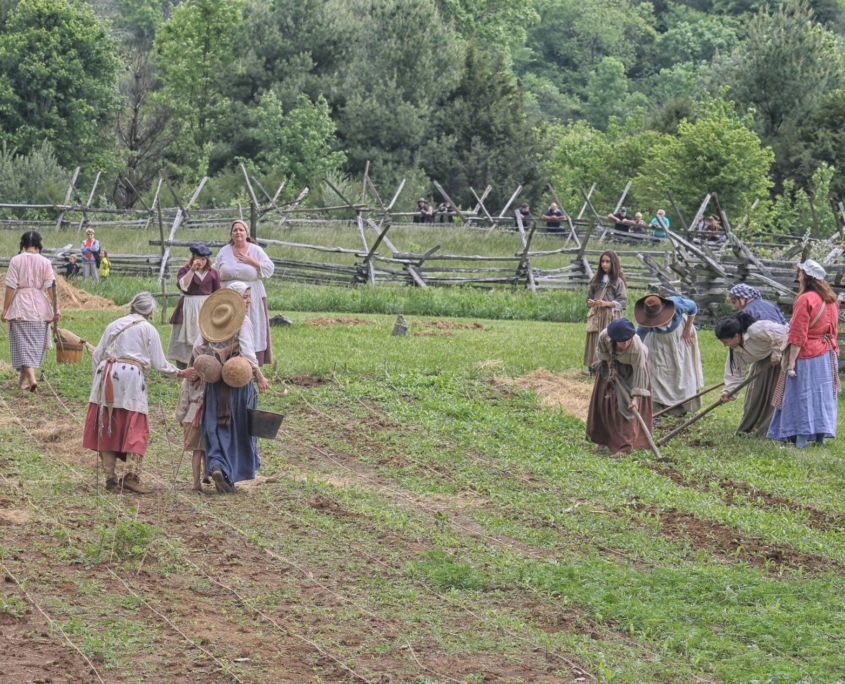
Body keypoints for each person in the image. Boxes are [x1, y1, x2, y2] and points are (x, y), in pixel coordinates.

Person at [83, 292, 197, 493]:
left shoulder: (114, 325)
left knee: (107, 422)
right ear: (150, 312)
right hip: (131, 377)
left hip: (105, 374)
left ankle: (110, 478)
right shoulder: (148, 329)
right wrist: (180, 372)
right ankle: (130, 475)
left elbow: (97, 355)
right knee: (135, 424)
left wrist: (98, 381)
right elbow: (160, 364)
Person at [193, 283, 269, 493]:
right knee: (237, 426)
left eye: (248, 297)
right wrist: (259, 374)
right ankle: (230, 473)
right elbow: (248, 351)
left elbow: (197, 348)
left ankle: (217, 464)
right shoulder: (242, 321)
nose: (248, 301)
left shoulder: (211, 321)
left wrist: (213, 356)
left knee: (215, 424)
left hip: (214, 383)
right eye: (244, 297)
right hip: (237, 382)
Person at [768, 260, 840, 447]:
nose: (797, 275)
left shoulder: (805, 299)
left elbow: (798, 334)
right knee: (822, 395)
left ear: (806, 277)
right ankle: (820, 436)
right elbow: (832, 330)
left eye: (799, 273)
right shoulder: (831, 300)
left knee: (802, 394)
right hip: (827, 353)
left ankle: (800, 438)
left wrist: (791, 361)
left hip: (808, 354)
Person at [1, 231, 60, 393]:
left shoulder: (16, 260)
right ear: (38, 244)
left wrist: (5, 309)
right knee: (32, 346)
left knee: (22, 346)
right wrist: (56, 309)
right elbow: (50, 287)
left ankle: (32, 380)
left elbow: (11, 286)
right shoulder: (45, 262)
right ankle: (21, 384)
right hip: (40, 307)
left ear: (23, 243)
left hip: (21, 305)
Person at [714, 312, 789, 437]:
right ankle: (752, 427)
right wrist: (728, 392)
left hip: (781, 360)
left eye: (726, 341)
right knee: (755, 395)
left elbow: (782, 333)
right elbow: (735, 374)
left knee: (774, 397)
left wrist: (776, 353)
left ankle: (771, 430)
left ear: (736, 336)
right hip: (761, 363)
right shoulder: (735, 351)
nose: (725, 345)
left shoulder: (756, 329)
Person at [586, 318, 653, 454]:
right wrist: (611, 363)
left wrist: (635, 398)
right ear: (614, 339)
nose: (626, 343)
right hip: (611, 367)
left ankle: (625, 446)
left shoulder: (636, 349)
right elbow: (601, 352)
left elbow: (639, 372)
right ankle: (603, 439)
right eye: (622, 341)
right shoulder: (605, 336)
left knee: (626, 409)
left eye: (628, 339)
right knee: (604, 403)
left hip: (632, 372)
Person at [214, 220, 275, 366]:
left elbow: (269, 269)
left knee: (249, 325)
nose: (238, 232)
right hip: (229, 295)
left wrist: (251, 261)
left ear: (246, 233)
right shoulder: (224, 251)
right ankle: (228, 357)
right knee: (230, 325)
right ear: (231, 234)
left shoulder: (255, 250)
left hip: (251, 294)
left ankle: (251, 361)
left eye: (241, 230)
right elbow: (214, 270)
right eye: (235, 230)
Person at [635, 294, 704, 416]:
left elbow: (693, 308)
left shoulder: (677, 305)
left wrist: (688, 329)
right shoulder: (645, 323)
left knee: (682, 368)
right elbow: (637, 340)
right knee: (657, 370)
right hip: (657, 342)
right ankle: (659, 407)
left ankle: (683, 406)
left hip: (681, 336)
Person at [167, 243, 221, 367]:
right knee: (183, 339)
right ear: (193, 258)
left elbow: (217, 292)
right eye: (198, 259)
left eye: (203, 259)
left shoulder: (213, 273)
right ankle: (181, 369)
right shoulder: (185, 270)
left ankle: (200, 367)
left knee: (203, 337)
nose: (200, 262)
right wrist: (192, 270)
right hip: (188, 307)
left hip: (206, 307)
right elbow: (183, 286)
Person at [584, 250, 628, 370]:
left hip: (610, 316)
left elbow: (623, 302)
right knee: (595, 340)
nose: (604, 264)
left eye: (607, 261)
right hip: (597, 316)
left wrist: (606, 303)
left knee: (609, 340)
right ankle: (593, 367)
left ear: (613, 263)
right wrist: (591, 302)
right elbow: (589, 297)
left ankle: (610, 367)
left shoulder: (618, 282)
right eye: (602, 261)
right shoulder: (596, 280)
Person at [175, 374, 207, 491]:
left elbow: (183, 399)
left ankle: (196, 482)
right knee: (206, 448)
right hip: (208, 416)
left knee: (196, 451)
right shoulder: (213, 378)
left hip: (191, 416)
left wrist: (180, 417)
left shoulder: (189, 379)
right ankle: (206, 473)